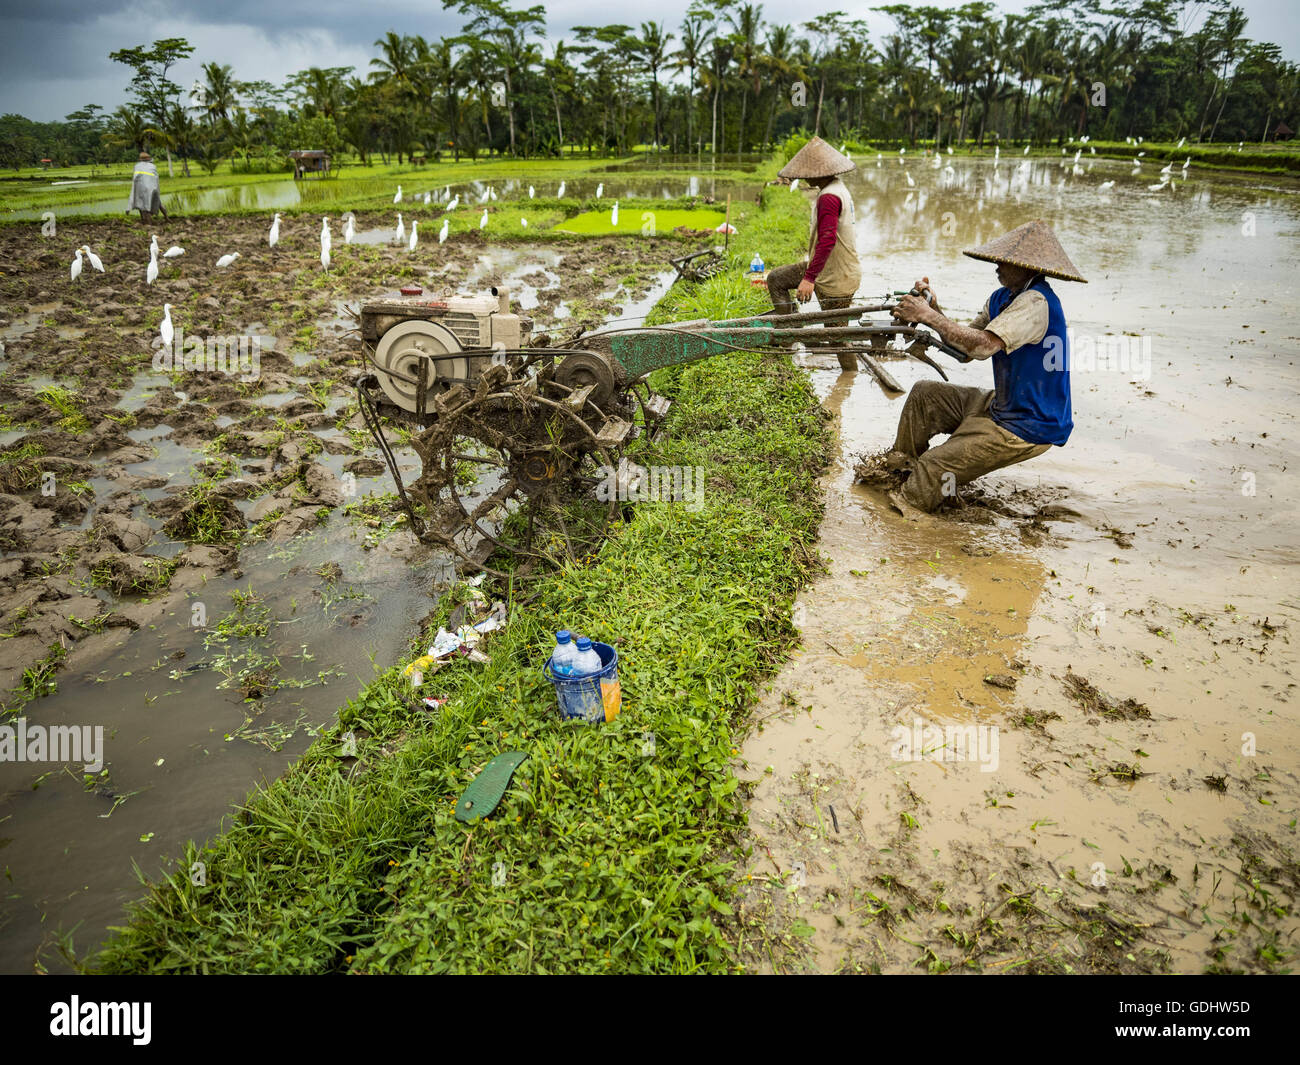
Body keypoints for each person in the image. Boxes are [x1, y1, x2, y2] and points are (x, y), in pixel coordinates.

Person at [883, 219, 1087, 518]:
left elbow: (982, 347)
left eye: (1005, 261)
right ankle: (898, 470)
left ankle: (905, 513)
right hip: (1002, 403)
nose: (997, 266)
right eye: (997, 259)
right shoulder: (1002, 298)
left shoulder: (1035, 303)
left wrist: (927, 316)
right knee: (925, 395)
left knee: (936, 464)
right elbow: (965, 350)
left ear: (1028, 267)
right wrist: (934, 310)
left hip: (1029, 422)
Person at [765, 136, 862, 369]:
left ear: (819, 172)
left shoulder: (829, 197)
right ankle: (792, 333)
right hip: (830, 268)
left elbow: (827, 241)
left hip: (836, 277)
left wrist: (809, 278)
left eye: (808, 171)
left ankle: (849, 378)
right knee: (777, 279)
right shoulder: (835, 187)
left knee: (839, 338)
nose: (804, 176)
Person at [128, 152, 169, 224]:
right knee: (157, 202)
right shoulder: (152, 166)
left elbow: (136, 178)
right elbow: (155, 177)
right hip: (153, 188)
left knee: (142, 204)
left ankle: (147, 221)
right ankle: (166, 217)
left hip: (141, 188)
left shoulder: (137, 166)